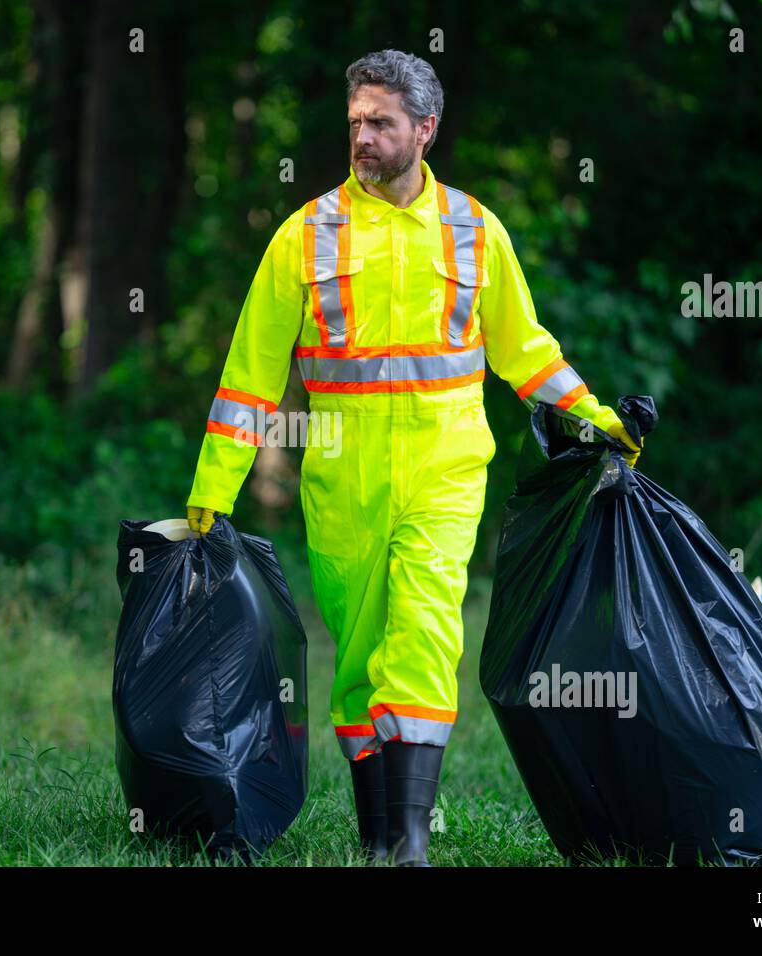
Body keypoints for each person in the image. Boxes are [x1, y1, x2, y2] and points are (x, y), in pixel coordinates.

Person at [184, 49, 643, 866]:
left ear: (425, 130)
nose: (361, 137)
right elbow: (249, 376)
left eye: (380, 123)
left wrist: (598, 420)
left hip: (445, 470)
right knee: (359, 660)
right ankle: (377, 835)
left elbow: (525, 351)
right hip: (342, 479)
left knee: (426, 635)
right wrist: (210, 494)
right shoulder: (305, 236)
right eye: (354, 121)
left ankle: (411, 844)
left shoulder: (474, 231)